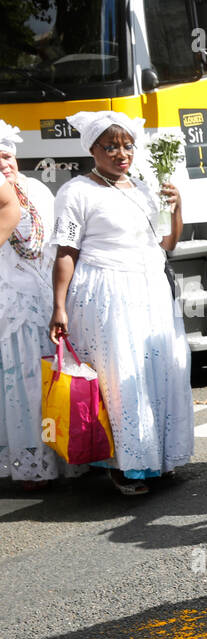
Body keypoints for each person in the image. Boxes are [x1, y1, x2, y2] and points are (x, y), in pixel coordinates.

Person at [49, 111, 192, 496]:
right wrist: (59, 306)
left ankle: (157, 457)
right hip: (105, 294)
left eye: (127, 145)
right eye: (110, 146)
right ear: (92, 150)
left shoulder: (145, 188)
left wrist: (176, 207)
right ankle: (123, 466)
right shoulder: (76, 191)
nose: (120, 153)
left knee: (155, 373)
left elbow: (167, 244)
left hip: (149, 291)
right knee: (118, 378)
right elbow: (65, 251)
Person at [0, 121, 63, 490]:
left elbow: (54, 243)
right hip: (11, 304)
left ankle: (60, 453)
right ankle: (29, 462)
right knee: (21, 383)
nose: (3, 164)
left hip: (43, 300)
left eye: (6, 156)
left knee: (49, 383)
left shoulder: (36, 188)